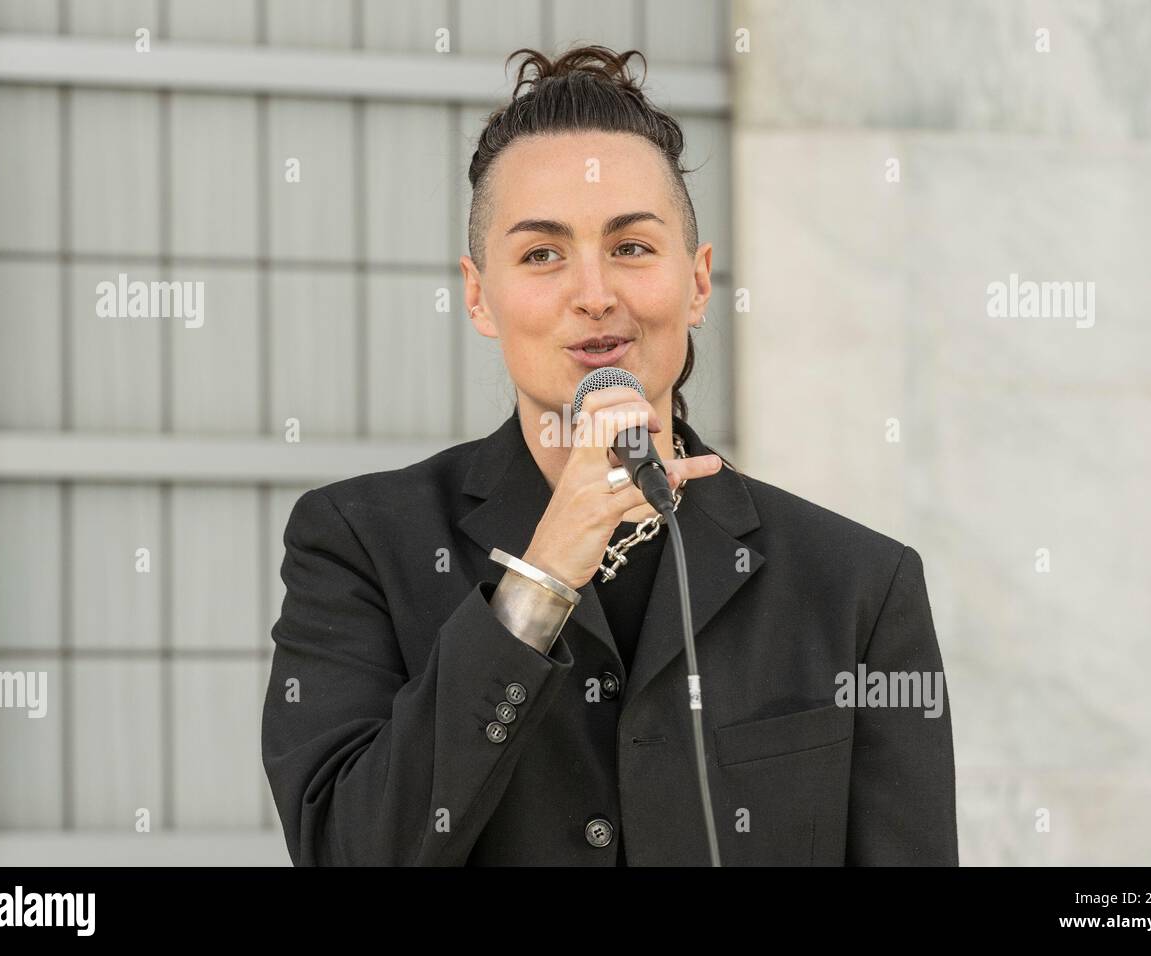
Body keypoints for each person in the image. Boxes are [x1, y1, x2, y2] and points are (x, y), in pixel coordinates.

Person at [261, 45, 958, 866]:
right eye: (542, 254)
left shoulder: (856, 587)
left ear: (697, 283)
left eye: (631, 247)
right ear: (479, 294)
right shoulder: (357, 543)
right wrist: (542, 577)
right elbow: (347, 850)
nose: (594, 292)